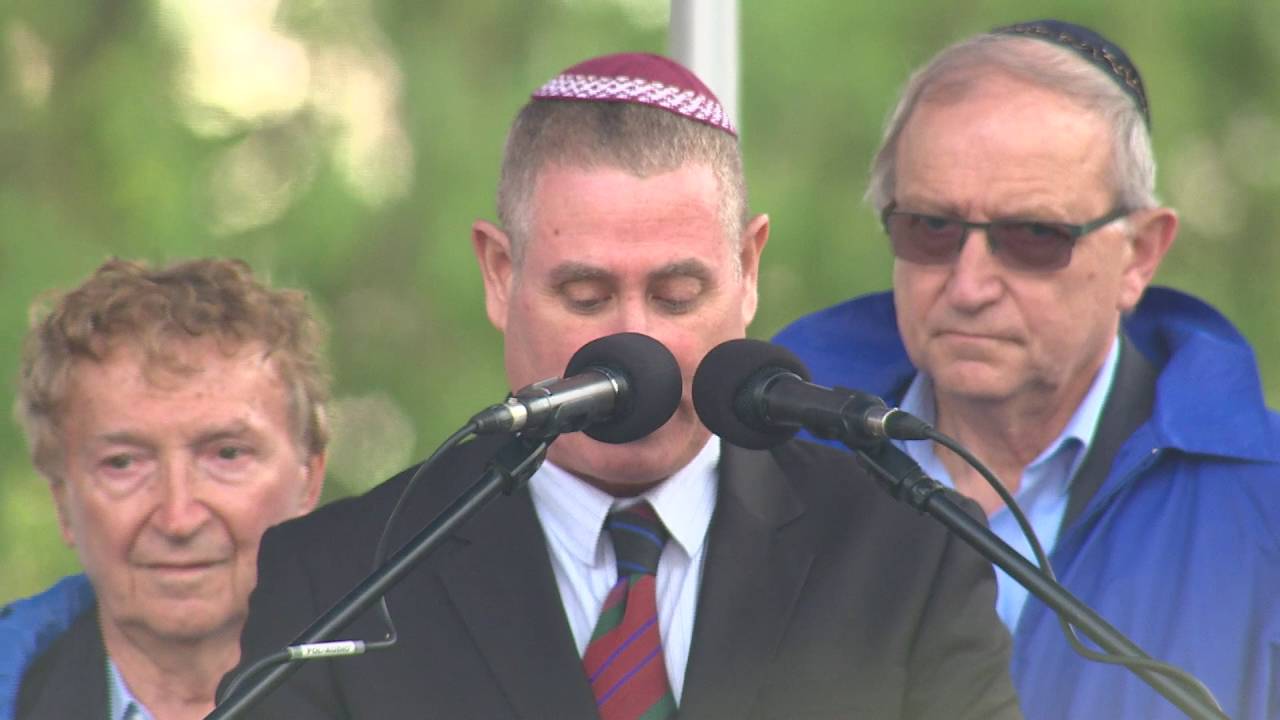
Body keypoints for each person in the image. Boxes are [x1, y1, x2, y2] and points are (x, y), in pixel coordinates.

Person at [225, 53, 1020, 719]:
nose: (635, 345)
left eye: (677, 297)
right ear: (500, 275)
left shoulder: (907, 551)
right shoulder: (338, 579)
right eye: (586, 297)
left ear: (748, 270)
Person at [774, 19, 1280, 720]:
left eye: (1035, 236)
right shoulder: (769, 461)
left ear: (1139, 256)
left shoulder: (1261, 504)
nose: (969, 284)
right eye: (931, 228)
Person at [2, 257, 330, 720]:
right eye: (124, 463)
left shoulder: (437, 691)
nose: (179, 518)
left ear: (308, 480)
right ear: (62, 501)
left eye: (227, 455)